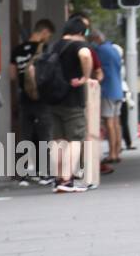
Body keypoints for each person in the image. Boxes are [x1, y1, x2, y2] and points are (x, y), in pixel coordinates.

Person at [49, 16, 97, 193]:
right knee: (75, 139)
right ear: (80, 32)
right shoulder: (79, 45)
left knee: (58, 140)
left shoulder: (53, 46)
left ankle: (57, 178)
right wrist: (85, 76)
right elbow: (85, 55)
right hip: (72, 99)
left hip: (53, 98)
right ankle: (67, 179)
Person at [9, 18, 55, 185]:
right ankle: (45, 173)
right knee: (45, 136)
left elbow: (12, 75)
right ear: (44, 32)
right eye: (48, 35)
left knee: (25, 136)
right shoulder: (43, 50)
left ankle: (22, 174)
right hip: (41, 98)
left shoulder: (17, 50)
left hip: (24, 97)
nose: (48, 38)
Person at [92, 30, 124, 166]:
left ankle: (112, 154)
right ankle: (117, 150)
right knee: (116, 123)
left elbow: (96, 69)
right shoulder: (114, 49)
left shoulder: (100, 51)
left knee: (109, 123)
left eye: (92, 39)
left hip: (108, 90)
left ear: (97, 38)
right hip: (118, 90)